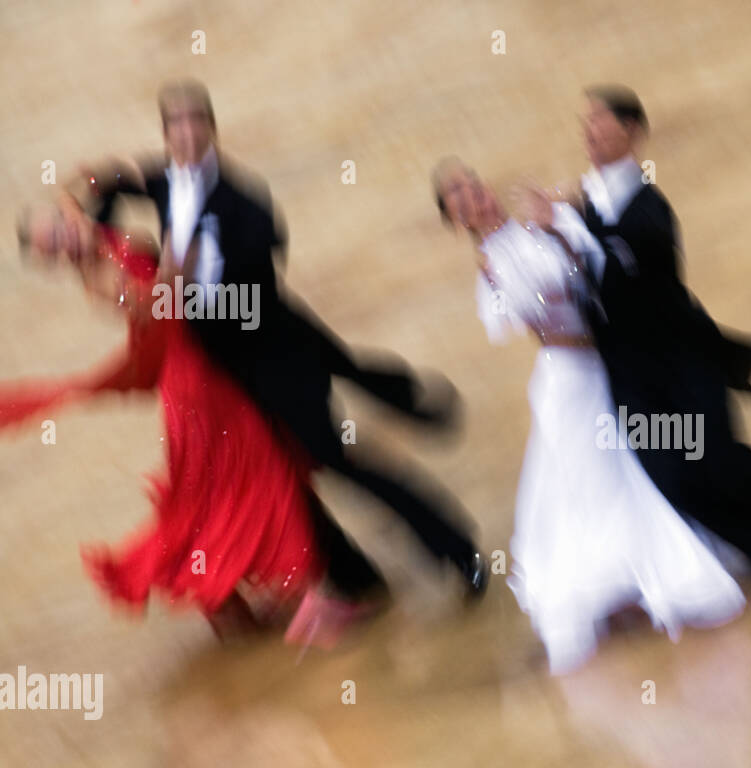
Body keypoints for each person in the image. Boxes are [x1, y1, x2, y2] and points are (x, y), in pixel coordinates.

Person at [80, 80, 485, 645]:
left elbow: (251, 293)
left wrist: (181, 283)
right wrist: (94, 218)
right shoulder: (166, 182)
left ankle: (455, 550)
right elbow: (106, 191)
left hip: (281, 361)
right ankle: (356, 578)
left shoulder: (246, 205)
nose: (188, 135)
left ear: (212, 130)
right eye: (176, 126)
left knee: (334, 460)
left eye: (197, 124)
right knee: (280, 478)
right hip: (227, 377)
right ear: (167, 134)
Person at [434, 158, 746, 673]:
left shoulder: (541, 223)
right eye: (459, 201)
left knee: (630, 465)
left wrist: (559, 229)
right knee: (599, 477)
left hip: (611, 365)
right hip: (572, 378)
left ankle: (635, 579)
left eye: (472, 184)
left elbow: (595, 272)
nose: (473, 197)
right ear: (457, 221)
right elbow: (548, 319)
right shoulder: (492, 268)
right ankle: (617, 586)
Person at [533, 85, 751, 575]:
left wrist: (567, 226)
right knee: (673, 475)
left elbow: (632, 258)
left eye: (600, 120)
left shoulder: (648, 206)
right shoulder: (574, 203)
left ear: (633, 132)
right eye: (584, 121)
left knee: (713, 458)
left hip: (680, 355)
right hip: (627, 368)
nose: (588, 129)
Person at [8, 199, 322, 637]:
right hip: (192, 385)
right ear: (53, 261)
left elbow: (167, 268)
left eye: (60, 229)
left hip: (205, 355)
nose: (65, 242)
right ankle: (278, 602)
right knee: (256, 470)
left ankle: (239, 612)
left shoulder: (118, 238)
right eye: (54, 247)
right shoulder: (100, 281)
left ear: (70, 216)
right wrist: (183, 245)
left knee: (222, 487)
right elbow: (158, 303)